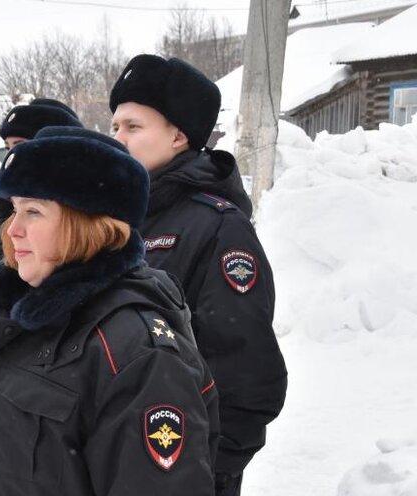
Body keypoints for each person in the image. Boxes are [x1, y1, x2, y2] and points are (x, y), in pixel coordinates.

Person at [0, 135, 220, 495]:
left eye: (33, 211)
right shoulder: (17, 315)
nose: (11, 229)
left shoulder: (138, 354)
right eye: (13, 209)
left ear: (87, 224)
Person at [109, 54, 288, 496]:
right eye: (114, 127)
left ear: (178, 135)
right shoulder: (119, 218)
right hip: (115, 453)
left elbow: (246, 367)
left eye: (133, 127)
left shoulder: (218, 226)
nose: (117, 139)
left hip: (182, 461)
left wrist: (211, 464)